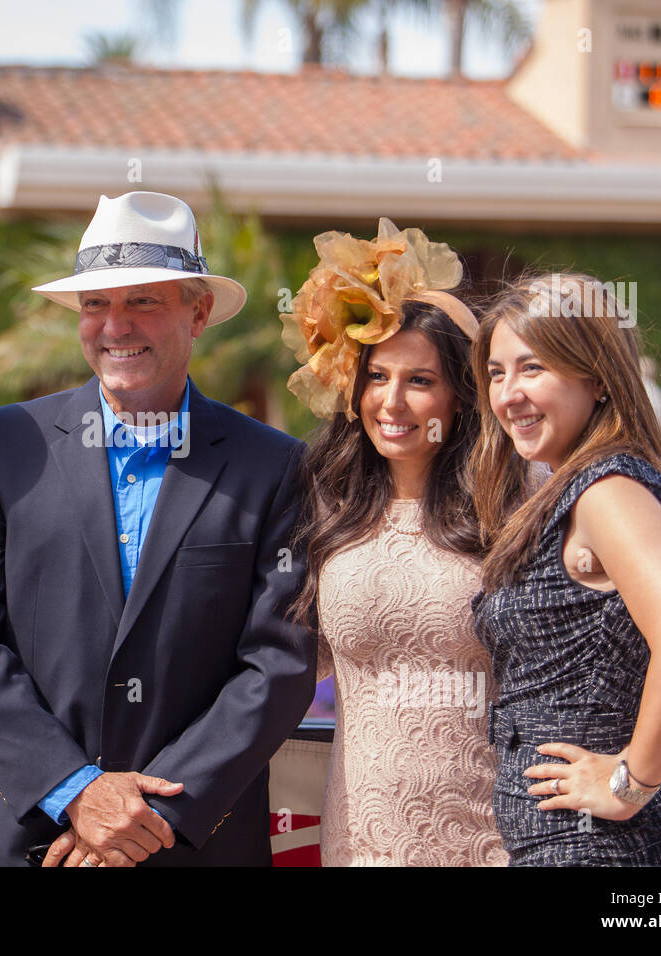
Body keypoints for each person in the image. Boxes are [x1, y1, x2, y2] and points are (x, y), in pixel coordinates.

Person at [0, 191, 315, 867]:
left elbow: (278, 665)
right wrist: (75, 790)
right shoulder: (1, 444)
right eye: (95, 304)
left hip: (190, 839)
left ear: (198, 314)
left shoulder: (274, 465)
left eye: (143, 301)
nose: (115, 325)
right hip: (15, 830)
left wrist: (147, 819)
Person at [469, 272, 661, 866]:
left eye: (532, 368)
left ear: (596, 378)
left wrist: (625, 785)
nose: (509, 394)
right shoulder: (567, 487)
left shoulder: (607, 488)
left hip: (621, 851)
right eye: (496, 372)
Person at [284, 221, 506, 866]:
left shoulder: (509, 511)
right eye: (377, 376)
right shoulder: (328, 511)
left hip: (494, 831)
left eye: (420, 380)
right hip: (362, 834)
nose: (392, 401)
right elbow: (286, 661)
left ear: (461, 397)